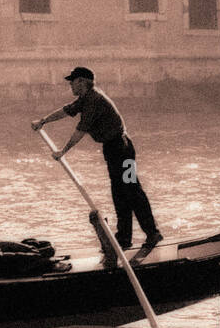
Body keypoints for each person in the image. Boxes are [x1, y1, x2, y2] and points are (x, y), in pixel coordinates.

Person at [32, 67, 163, 258]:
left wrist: (63, 151)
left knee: (132, 190)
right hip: (112, 150)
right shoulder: (85, 99)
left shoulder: (94, 101)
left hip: (123, 149)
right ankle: (124, 238)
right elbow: (65, 111)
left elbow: (80, 130)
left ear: (82, 82)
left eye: (73, 81)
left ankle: (153, 234)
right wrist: (43, 121)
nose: (70, 84)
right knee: (119, 193)